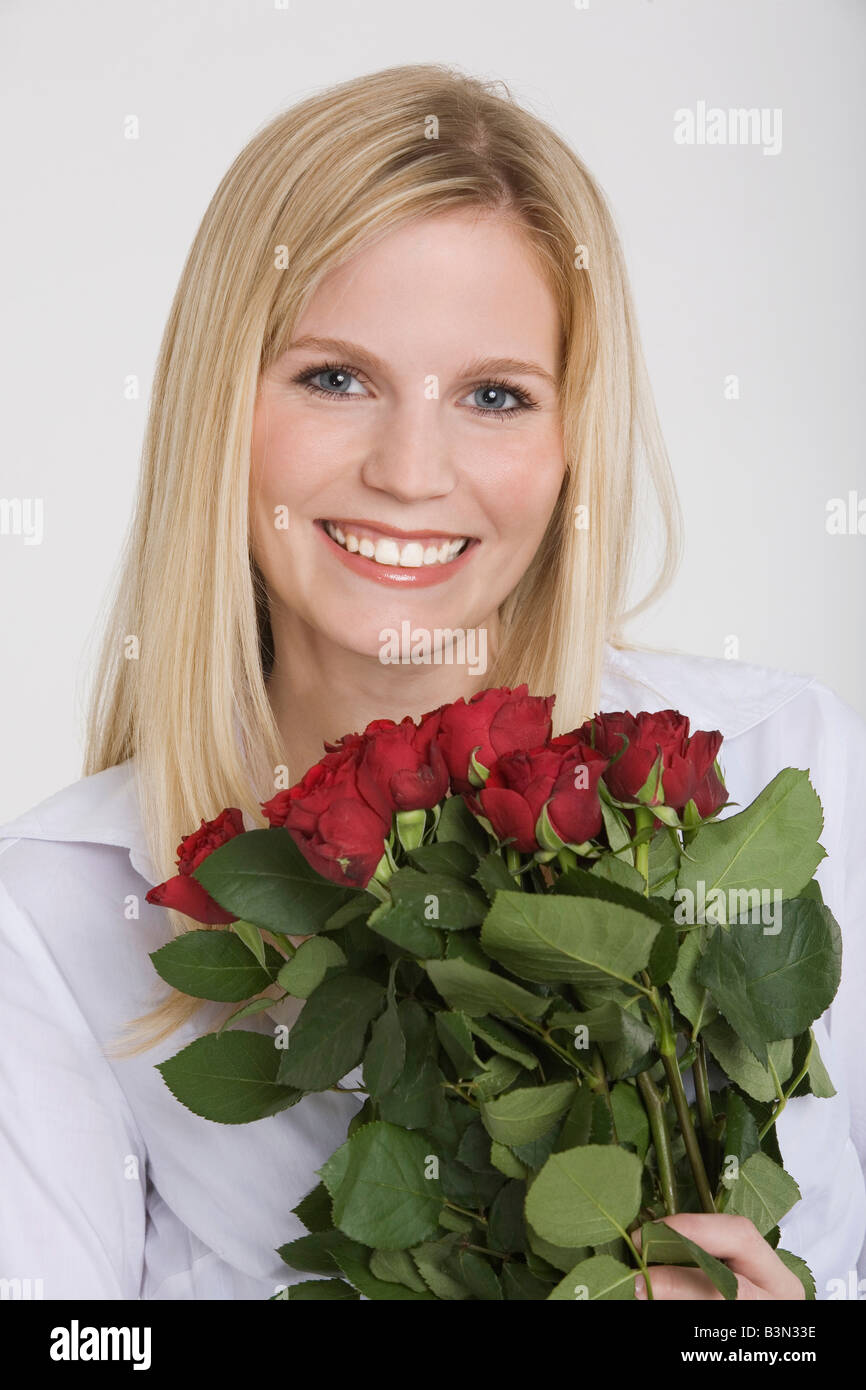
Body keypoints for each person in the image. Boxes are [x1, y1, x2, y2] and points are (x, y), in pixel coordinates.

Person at [1, 63, 863, 1302]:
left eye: (494, 395)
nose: (411, 469)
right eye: (334, 377)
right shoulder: (54, 914)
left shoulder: (783, 769)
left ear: (572, 443)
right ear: (219, 409)